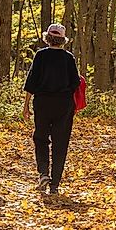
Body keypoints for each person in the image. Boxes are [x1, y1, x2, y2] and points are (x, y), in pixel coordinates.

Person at [22, 23, 80, 195]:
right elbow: (75, 83)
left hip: (42, 103)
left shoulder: (40, 56)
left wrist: (26, 106)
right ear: (63, 40)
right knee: (60, 142)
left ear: (47, 38)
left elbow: (31, 83)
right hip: (63, 104)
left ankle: (43, 173)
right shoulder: (68, 58)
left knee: (40, 138)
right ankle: (54, 183)